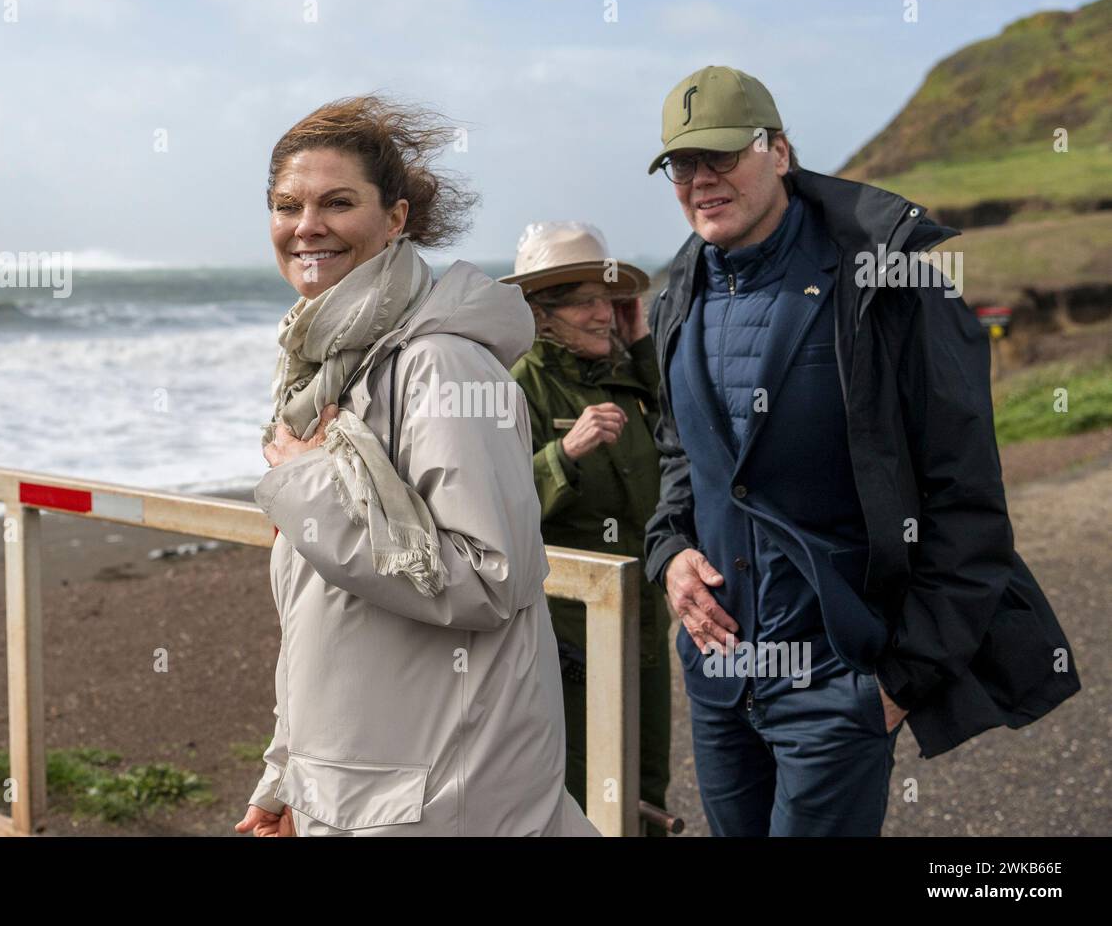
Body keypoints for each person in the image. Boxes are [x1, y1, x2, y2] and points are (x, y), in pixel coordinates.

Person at [642, 65, 1080, 835]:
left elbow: (965, 500)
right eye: (682, 164)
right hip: (720, 685)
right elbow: (683, 457)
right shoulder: (678, 291)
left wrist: (897, 682)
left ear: (778, 151)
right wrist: (670, 551)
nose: (700, 180)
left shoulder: (892, 278)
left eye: (721, 156)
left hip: (837, 684)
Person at [234, 95, 598, 837]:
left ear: (396, 218)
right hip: (359, 789)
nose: (307, 226)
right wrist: (287, 773)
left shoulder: (442, 364)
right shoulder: (328, 371)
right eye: (287, 204)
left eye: (338, 202)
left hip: (444, 797)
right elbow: (322, 618)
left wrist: (306, 488)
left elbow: (490, 580)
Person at [501, 222, 671, 836]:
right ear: (541, 314)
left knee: (649, 778)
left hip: (645, 614)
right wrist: (562, 455)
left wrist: (644, 343)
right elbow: (487, 508)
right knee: (580, 782)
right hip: (569, 633)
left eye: (610, 299)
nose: (603, 314)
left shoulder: (629, 375)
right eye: (585, 302)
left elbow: (689, 439)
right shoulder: (516, 384)